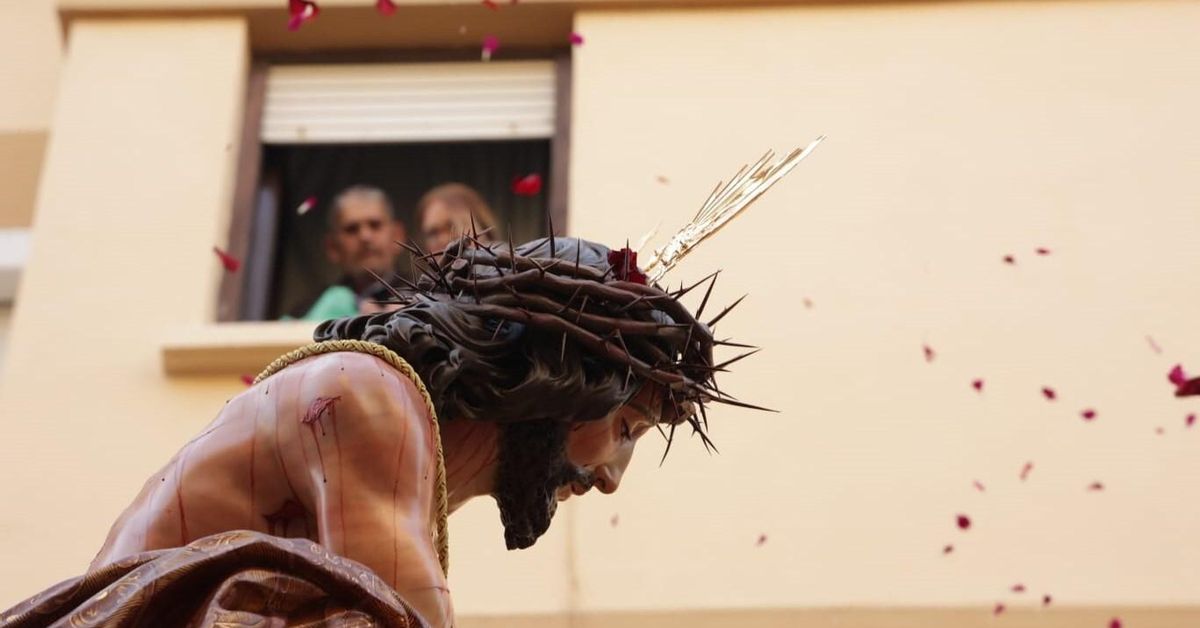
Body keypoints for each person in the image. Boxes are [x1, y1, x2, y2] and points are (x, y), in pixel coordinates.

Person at [1, 142, 816, 628]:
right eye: (627, 429)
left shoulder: (400, 440)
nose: (609, 478)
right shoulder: (366, 399)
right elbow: (402, 613)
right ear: (563, 380)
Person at [293, 185, 408, 320]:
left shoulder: (424, 299)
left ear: (397, 236)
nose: (365, 237)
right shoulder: (311, 311)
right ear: (332, 247)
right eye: (352, 229)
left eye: (375, 225)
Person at [415, 183, 499, 254]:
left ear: (482, 227)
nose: (443, 239)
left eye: (452, 227)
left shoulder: (505, 262)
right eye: (433, 233)